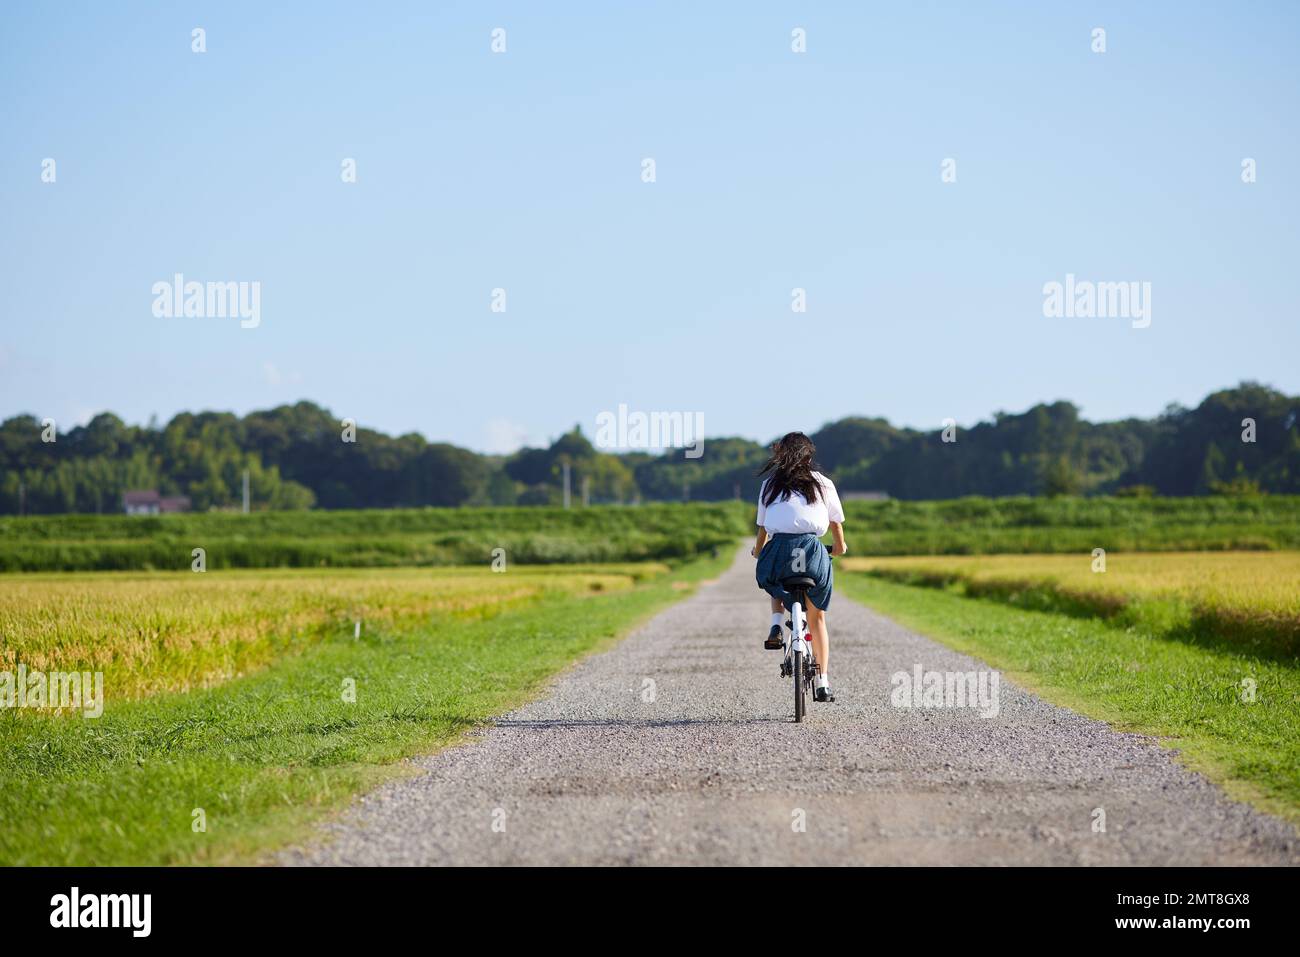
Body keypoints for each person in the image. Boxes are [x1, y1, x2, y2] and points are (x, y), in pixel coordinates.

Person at [751, 432, 847, 702]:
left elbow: (762, 529)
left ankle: (776, 623)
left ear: (780, 455)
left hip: (779, 549)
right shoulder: (823, 483)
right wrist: (839, 548)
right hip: (813, 551)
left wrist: (759, 552)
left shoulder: (770, 485)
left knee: (774, 574)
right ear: (809, 455)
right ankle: (824, 683)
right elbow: (836, 525)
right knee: (817, 618)